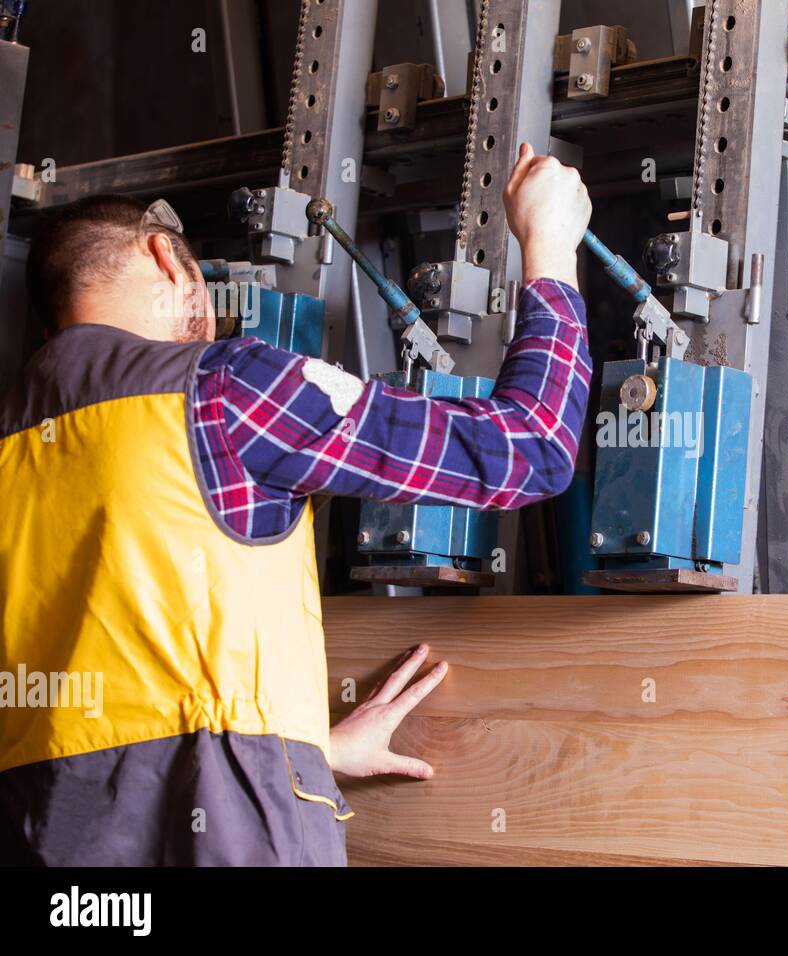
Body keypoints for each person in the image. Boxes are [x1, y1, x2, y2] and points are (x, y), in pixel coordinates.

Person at [0, 143, 592, 865]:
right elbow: (530, 449)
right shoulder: (223, 389)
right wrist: (551, 247)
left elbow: (111, 678)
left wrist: (302, 744)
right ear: (166, 260)